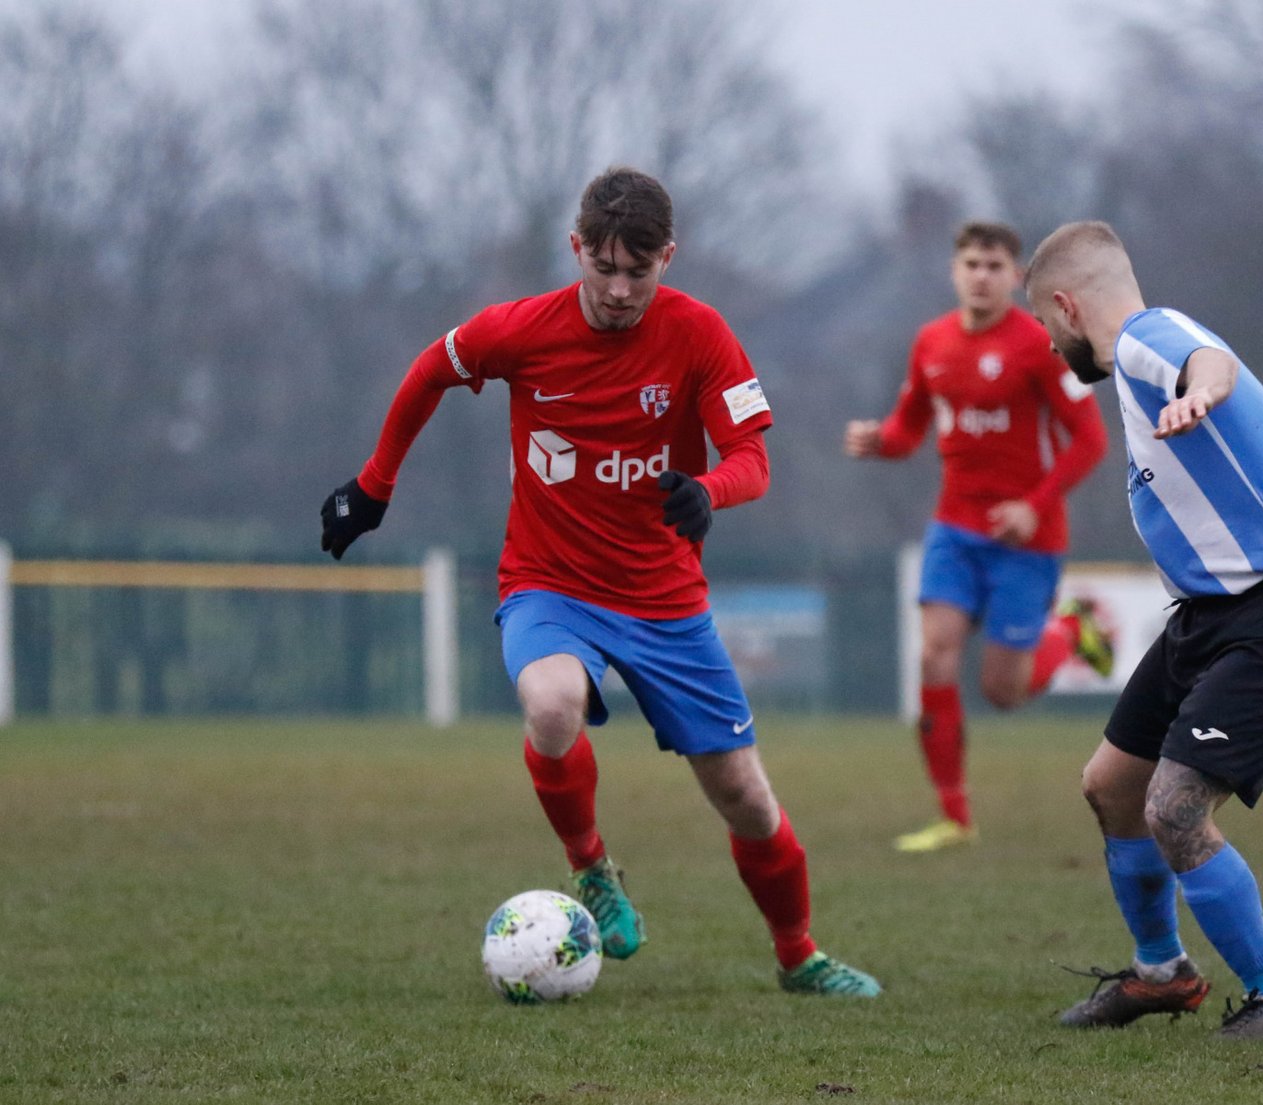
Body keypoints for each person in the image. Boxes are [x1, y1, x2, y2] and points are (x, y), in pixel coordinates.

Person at [319, 167, 879, 997]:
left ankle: (798, 954)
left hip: (665, 601)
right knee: (550, 705)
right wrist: (374, 485)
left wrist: (708, 492)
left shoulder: (700, 335)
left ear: (669, 259)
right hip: (550, 581)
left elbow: (754, 459)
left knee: (747, 799)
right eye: (604, 268)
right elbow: (428, 372)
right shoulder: (519, 330)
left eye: (639, 272)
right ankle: (593, 871)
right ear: (576, 249)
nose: (619, 290)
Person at [1024, 220, 1263, 1038]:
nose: (1050, 345)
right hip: (1208, 615)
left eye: (1043, 328)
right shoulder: (1143, 362)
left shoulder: (1144, 337)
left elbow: (1210, 363)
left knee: (1174, 806)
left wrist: (1203, 389)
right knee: (1112, 786)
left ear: (1066, 307)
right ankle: (1162, 974)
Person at [844, 221, 1111, 853]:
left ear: (1017, 277)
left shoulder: (1040, 344)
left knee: (1002, 692)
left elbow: (1092, 440)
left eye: (995, 265)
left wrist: (1032, 506)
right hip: (955, 530)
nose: (981, 275)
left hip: (1028, 540)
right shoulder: (931, 342)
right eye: (971, 263)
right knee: (935, 655)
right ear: (954, 270)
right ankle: (955, 817)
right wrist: (879, 442)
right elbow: (910, 431)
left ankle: (1071, 630)